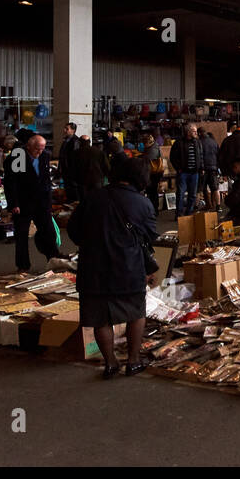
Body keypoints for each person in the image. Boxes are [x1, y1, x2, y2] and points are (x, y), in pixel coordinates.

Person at [67, 157, 159, 378]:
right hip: (128, 266)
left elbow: (73, 230)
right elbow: (149, 235)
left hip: (93, 267)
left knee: (101, 318)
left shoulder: (92, 197)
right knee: (135, 312)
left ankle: (110, 363)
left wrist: (93, 243)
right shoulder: (142, 203)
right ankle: (133, 361)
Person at [4, 134, 61, 271]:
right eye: (37, 149)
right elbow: (12, 182)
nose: (39, 152)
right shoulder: (19, 156)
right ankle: (23, 265)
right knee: (22, 235)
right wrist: (14, 203)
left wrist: (49, 202)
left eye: (42, 149)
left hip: (41, 201)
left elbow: (46, 180)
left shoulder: (45, 155)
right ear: (28, 146)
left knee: (48, 231)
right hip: (23, 202)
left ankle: (53, 259)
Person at [168, 124, 204, 216]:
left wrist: (201, 168)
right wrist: (178, 168)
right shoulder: (179, 142)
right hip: (183, 173)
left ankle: (189, 213)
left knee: (193, 195)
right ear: (188, 132)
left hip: (194, 173)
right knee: (180, 194)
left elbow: (201, 156)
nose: (196, 133)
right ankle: (179, 214)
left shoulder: (197, 142)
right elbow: (172, 157)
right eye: (194, 131)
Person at [57, 123, 82, 203]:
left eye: (67, 129)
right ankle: (70, 201)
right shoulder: (67, 139)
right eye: (65, 128)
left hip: (71, 170)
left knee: (72, 187)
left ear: (73, 130)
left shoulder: (75, 141)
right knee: (68, 187)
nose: (65, 130)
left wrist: (71, 170)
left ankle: (74, 203)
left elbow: (74, 157)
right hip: (66, 168)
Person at [144, 133, 165, 212]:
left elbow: (147, 159)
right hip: (154, 173)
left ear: (147, 142)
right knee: (152, 192)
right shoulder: (153, 146)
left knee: (152, 192)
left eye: (144, 143)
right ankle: (153, 209)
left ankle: (154, 210)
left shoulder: (152, 149)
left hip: (154, 173)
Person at [201, 130, 220, 211]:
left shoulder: (200, 142)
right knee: (215, 188)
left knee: (203, 188)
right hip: (213, 168)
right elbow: (219, 155)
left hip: (204, 169)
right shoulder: (214, 142)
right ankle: (218, 206)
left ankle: (208, 204)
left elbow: (200, 156)